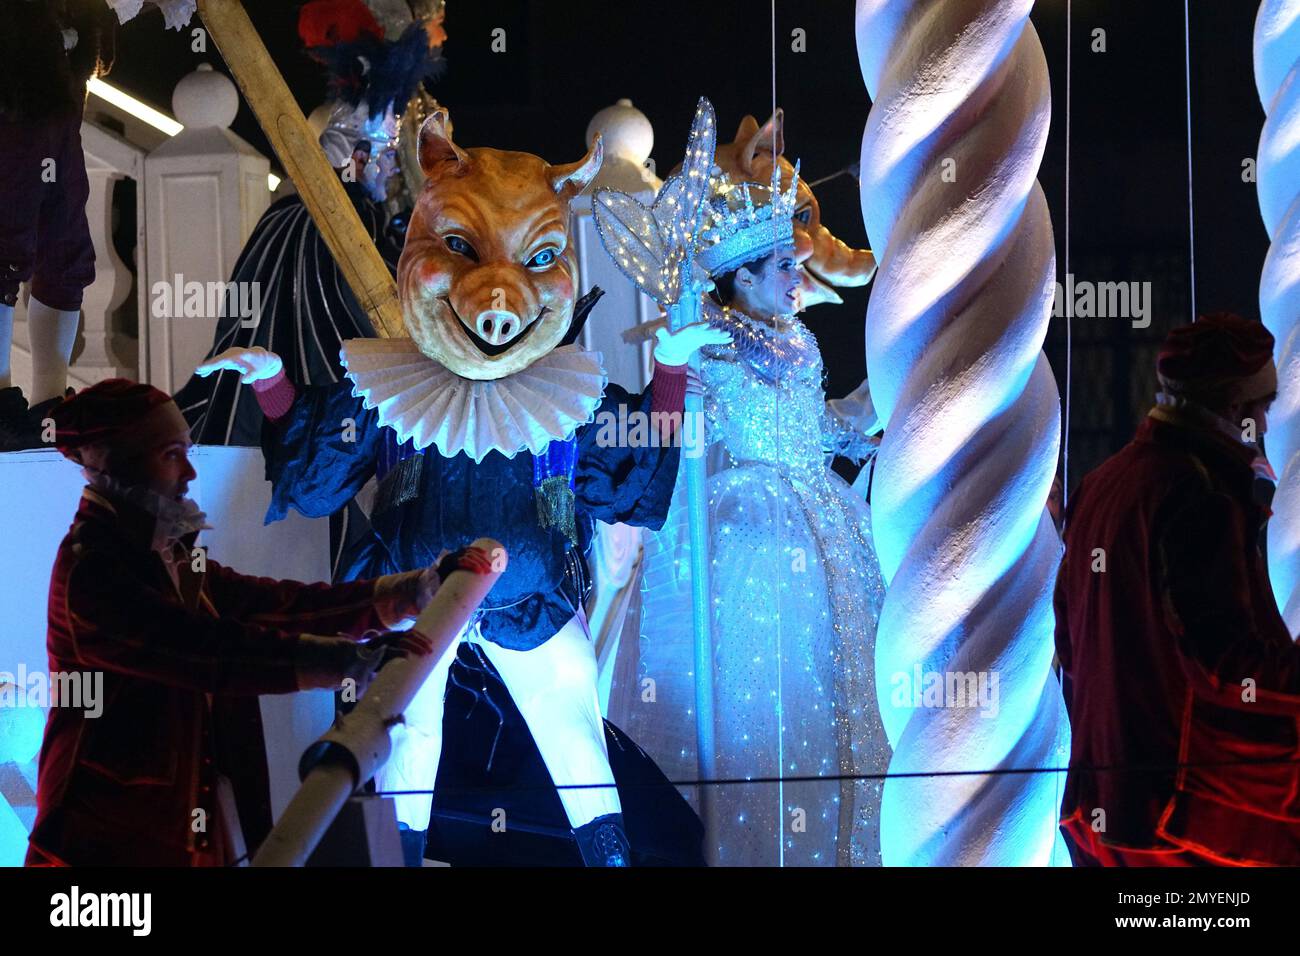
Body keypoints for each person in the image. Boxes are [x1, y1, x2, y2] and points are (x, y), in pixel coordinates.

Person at [25, 378, 459, 866]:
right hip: (105, 845)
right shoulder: (93, 568)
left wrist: (406, 594)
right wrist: (346, 661)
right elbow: (208, 652)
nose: (190, 472)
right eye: (172, 454)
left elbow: (272, 605)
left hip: (190, 830)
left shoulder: (166, 553)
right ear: (116, 462)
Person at [626, 169, 890, 865]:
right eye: (782, 265)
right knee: (768, 685)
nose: (797, 275)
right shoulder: (715, 335)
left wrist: (859, 441)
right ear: (742, 278)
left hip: (821, 514)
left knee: (838, 680)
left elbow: (809, 425)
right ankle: (758, 839)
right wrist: (675, 346)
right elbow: (669, 397)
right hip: (757, 526)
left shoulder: (795, 334)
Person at [1055, 311, 1300, 866]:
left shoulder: (1104, 482)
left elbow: (1068, 641)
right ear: (1234, 407)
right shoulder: (1200, 490)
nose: (1263, 421)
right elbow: (1225, 663)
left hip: (1103, 801)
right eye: (1260, 408)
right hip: (1182, 810)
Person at [0, 0, 117, 449]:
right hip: (16, 74)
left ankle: (50, 401)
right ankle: (2, 404)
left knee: (65, 243)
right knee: (7, 239)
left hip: (57, 71)